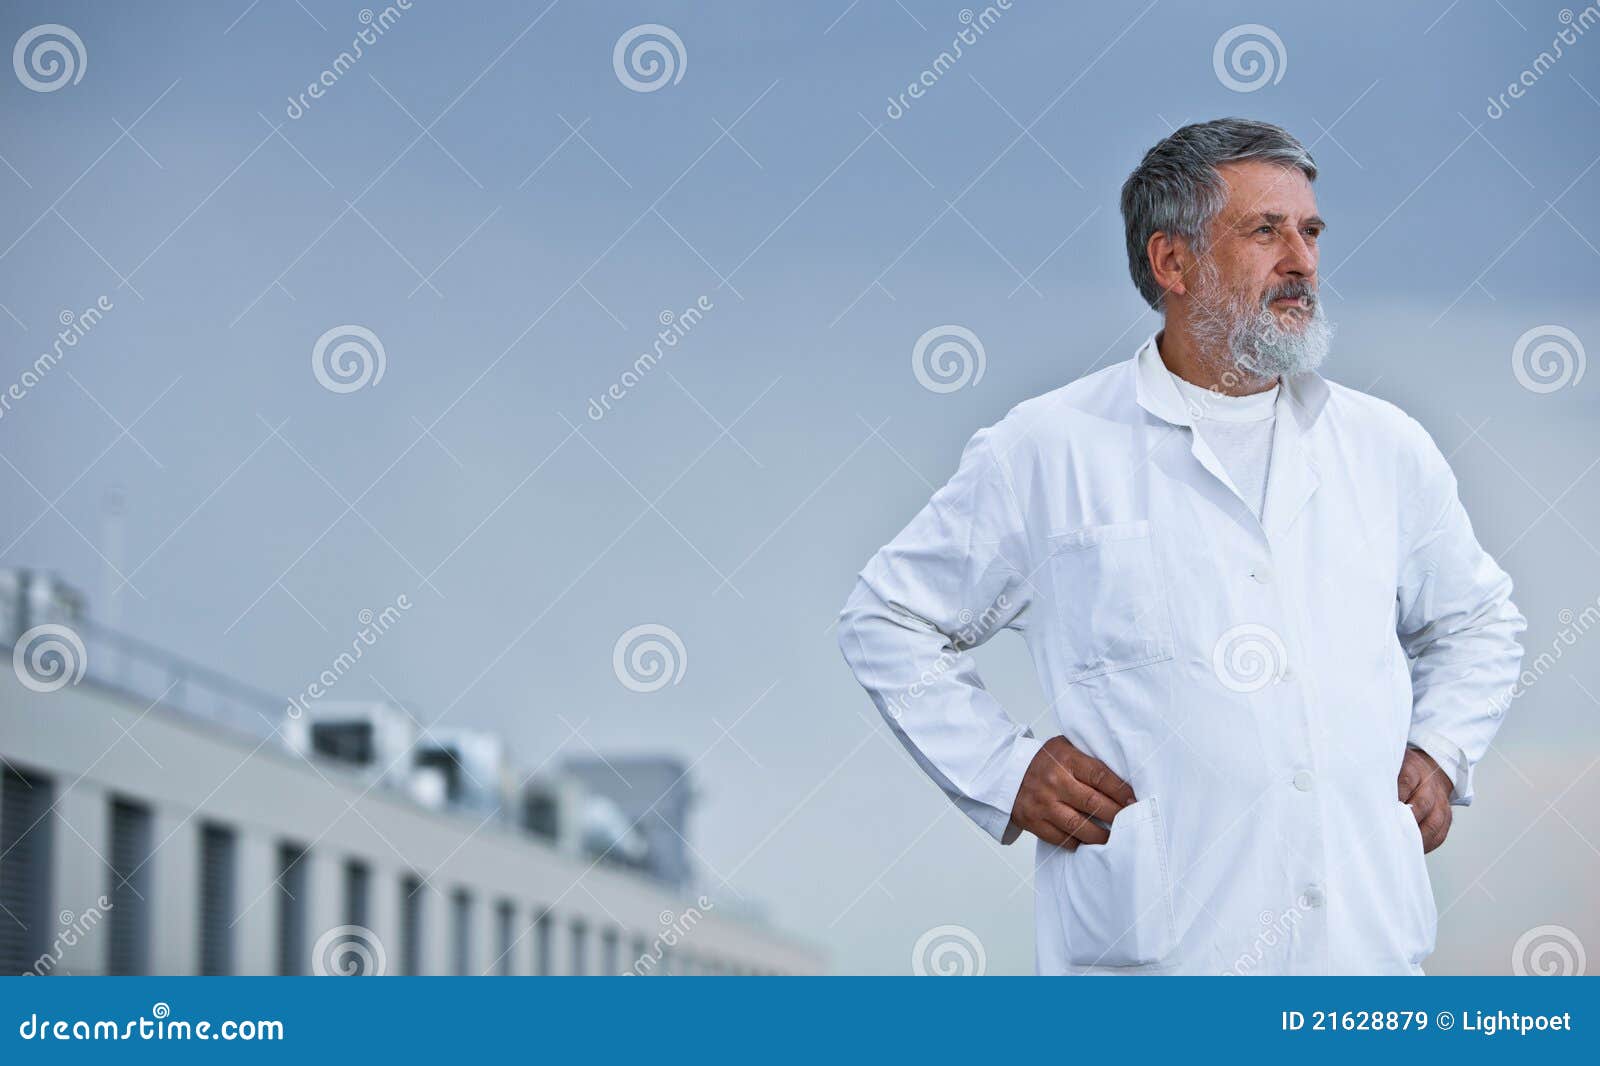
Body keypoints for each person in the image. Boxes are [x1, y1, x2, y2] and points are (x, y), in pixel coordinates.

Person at [836, 117, 1526, 975]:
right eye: (1265, 230)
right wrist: (1004, 770)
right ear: (1172, 262)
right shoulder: (1051, 448)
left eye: (1309, 231)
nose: (1302, 261)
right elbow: (887, 616)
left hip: (1363, 967)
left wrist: (1442, 747)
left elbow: (1480, 623)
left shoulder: (1385, 448)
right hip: (1160, 972)